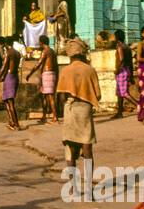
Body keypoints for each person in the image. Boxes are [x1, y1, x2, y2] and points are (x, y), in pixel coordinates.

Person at [55, 38, 100, 198]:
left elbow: (60, 95)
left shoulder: (66, 71)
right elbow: (98, 95)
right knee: (87, 149)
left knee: (70, 150)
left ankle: (73, 187)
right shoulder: (90, 70)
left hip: (71, 109)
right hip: (86, 110)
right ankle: (89, 189)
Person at [0, 35, 21, 130]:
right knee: (6, 100)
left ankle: (16, 124)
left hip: (9, 77)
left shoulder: (9, 53)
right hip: (15, 77)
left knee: (10, 102)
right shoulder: (17, 53)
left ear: (6, 44)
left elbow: (3, 67)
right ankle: (11, 122)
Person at [34, 34, 57, 124]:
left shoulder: (46, 51)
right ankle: (44, 116)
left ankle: (55, 117)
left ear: (41, 42)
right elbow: (55, 65)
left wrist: (29, 74)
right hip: (51, 74)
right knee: (44, 96)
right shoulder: (53, 51)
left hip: (47, 74)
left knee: (50, 96)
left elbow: (38, 64)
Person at [113, 29, 136, 119]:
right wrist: (131, 75)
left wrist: (118, 69)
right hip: (127, 70)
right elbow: (130, 61)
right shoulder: (127, 47)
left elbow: (121, 59)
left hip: (121, 70)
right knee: (119, 93)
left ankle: (139, 106)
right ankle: (119, 112)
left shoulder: (120, 46)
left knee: (124, 93)